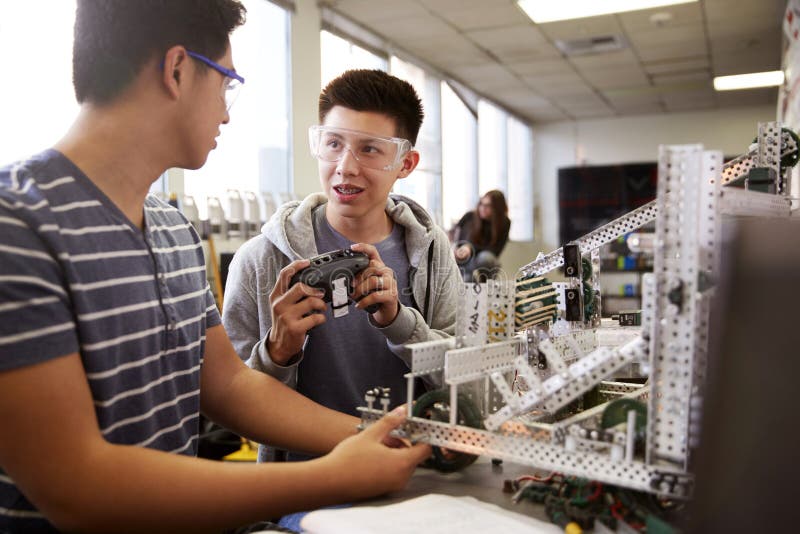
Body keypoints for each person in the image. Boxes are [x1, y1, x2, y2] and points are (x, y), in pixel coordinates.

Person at [0, 2, 430, 532]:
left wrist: (373, 437)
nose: (227, 112)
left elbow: (228, 386)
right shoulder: (16, 226)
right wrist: (335, 476)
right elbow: (77, 484)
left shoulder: (170, 228)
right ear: (177, 70)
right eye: (227, 82)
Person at [222, 69, 462, 461]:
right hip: (301, 491)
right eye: (333, 143)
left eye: (370, 149)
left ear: (406, 163)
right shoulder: (260, 261)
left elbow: (460, 385)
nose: (345, 166)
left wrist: (401, 325)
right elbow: (231, 406)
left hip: (411, 481)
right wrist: (277, 351)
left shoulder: (434, 256)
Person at [451, 190, 511, 282]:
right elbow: (455, 236)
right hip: (463, 257)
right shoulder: (469, 217)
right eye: (481, 204)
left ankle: (487, 285)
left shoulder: (504, 223)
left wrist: (470, 248)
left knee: (485, 258)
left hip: (482, 259)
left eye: (488, 206)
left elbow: (495, 250)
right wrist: (456, 249)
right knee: (466, 279)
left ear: (497, 208)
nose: (482, 208)